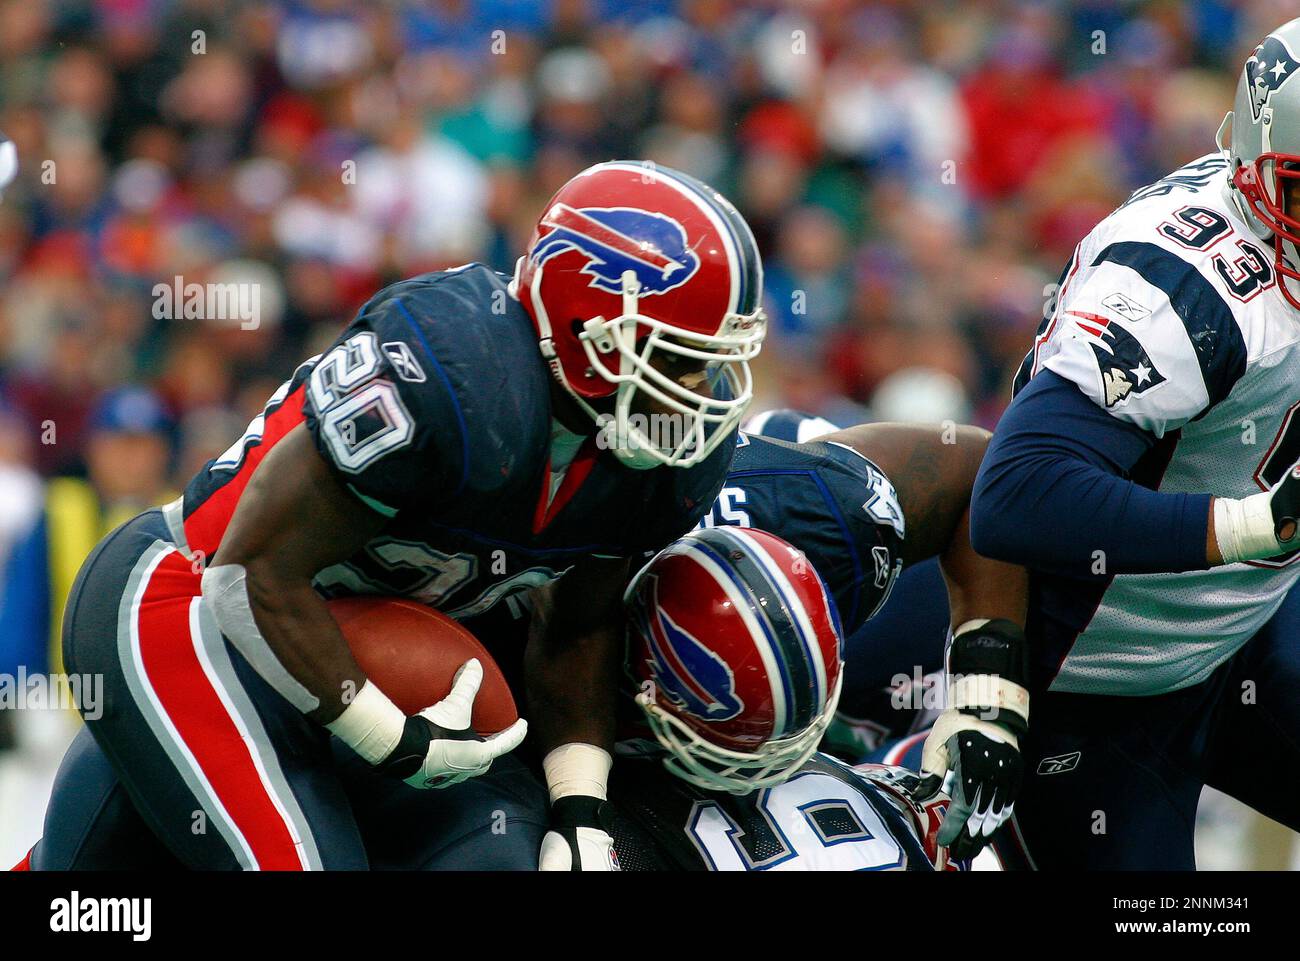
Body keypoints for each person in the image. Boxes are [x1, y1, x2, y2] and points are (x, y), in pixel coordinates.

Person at [34, 160, 766, 871]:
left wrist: (580, 807)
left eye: (710, 362)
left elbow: (576, 625)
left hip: (340, 654)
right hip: (192, 610)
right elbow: (248, 570)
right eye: (676, 358)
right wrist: (385, 731)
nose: (697, 391)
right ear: (587, 325)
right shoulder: (456, 378)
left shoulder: (659, 463)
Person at [969, 19, 1300, 868]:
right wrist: (1254, 528)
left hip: (1250, 624)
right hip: (1104, 681)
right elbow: (1015, 494)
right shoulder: (1187, 291)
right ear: (1264, 177)